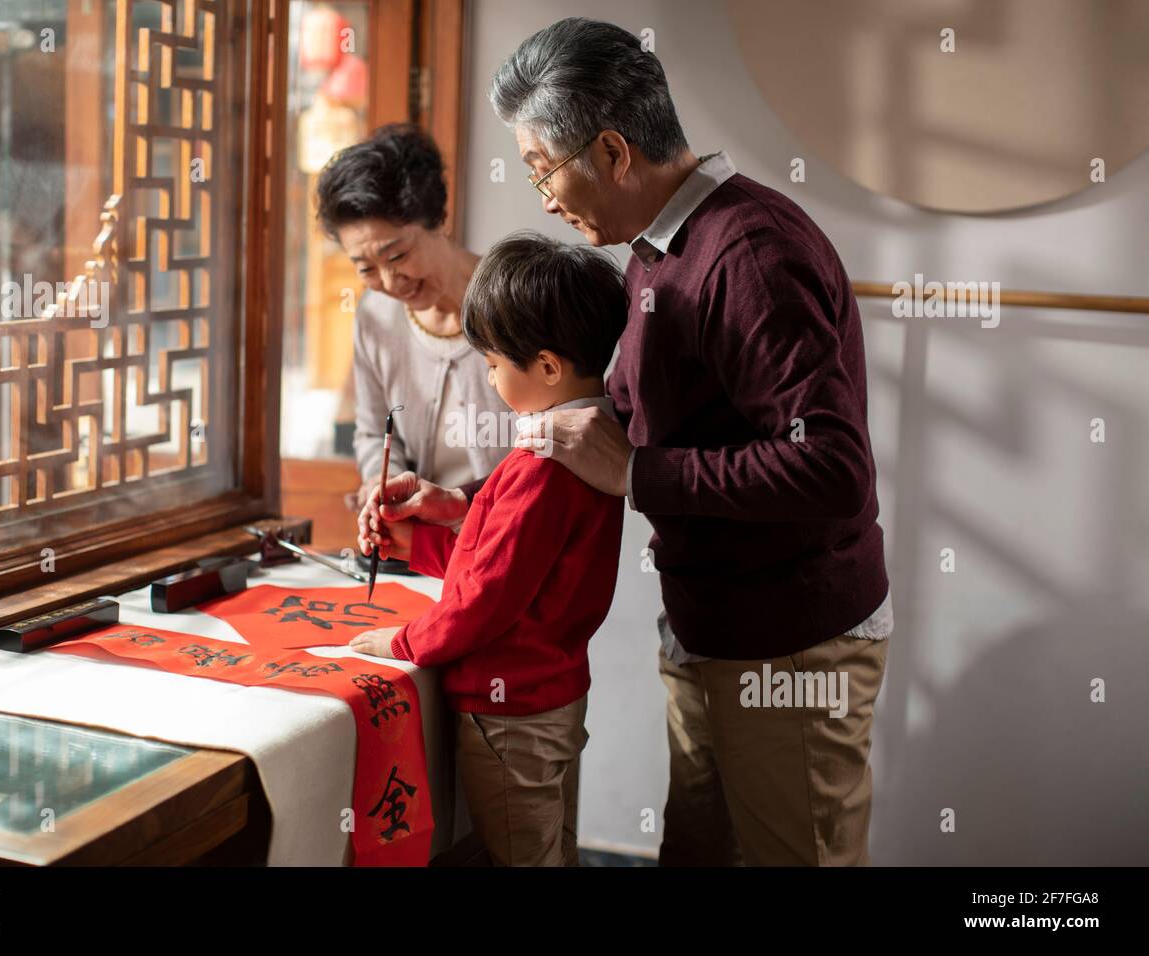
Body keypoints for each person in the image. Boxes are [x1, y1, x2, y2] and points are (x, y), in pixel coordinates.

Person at [360, 17, 892, 866]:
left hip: (788, 642)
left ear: (611, 153)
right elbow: (603, 430)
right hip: (710, 629)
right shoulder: (651, 250)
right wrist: (462, 506)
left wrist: (640, 471)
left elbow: (831, 469)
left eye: (542, 169)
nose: (541, 197)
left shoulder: (749, 255)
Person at [350, 232, 627, 866]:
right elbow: (510, 564)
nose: (489, 376)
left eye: (495, 363)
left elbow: (488, 598)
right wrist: (418, 540)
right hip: (551, 694)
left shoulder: (542, 465)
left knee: (518, 857)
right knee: (554, 846)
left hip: (510, 710)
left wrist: (402, 642)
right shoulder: (587, 440)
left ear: (549, 368)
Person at [316, 124, 509, 507]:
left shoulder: (519, 301)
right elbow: (372, 432)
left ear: (439, 219)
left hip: (510, 540)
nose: (390, 282)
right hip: (421, 546)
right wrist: (380, 482)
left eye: (398, 256)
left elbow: (555, 443)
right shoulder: (376, 317)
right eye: (366, 268)